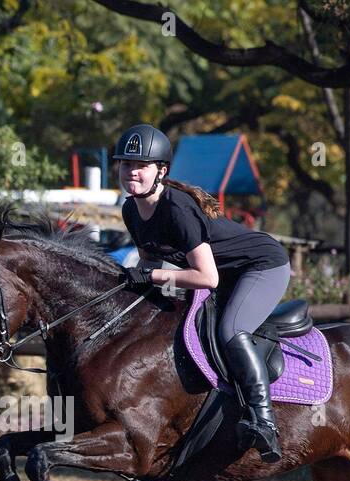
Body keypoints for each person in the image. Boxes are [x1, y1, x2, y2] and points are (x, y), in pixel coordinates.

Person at [113, 123, 291, 463]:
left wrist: (151, 274)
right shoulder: (130, 210)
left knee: (230, 330)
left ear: (161, 171)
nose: (131, 172)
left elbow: (206, 277)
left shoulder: (177, 208)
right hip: (224, 274)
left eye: (141, 166)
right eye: (125, 165)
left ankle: (264, 421)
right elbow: (154, 266)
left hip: (260, 266)